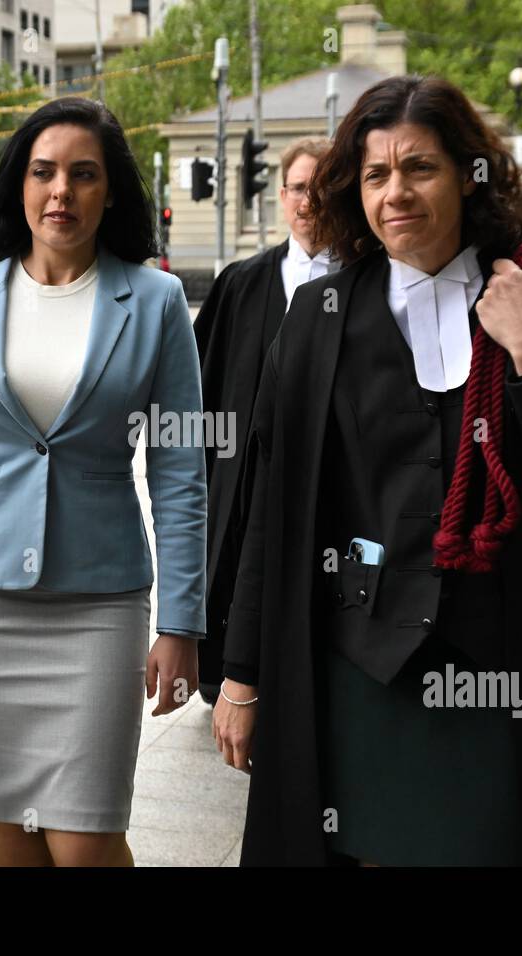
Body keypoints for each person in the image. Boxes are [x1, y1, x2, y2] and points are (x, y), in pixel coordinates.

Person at [211, 75, 522, 866]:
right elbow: (276, 508)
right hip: (359, 673)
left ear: (470, 175)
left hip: (515, 673)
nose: (396, 192)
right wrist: (241, 676)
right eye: (375, 174)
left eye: (420, 168)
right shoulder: (318, 317)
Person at [0, 97, 207, 867]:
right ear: (18, 188)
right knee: (13, 839)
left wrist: (181, 624)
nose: (61, 192)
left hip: (101, 602)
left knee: (85, 841)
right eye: (43, 172)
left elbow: (182, 475)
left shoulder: (154, 301)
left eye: (83, 175)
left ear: (111, 190)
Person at [192, 135, 337, 704]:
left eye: (325, 189)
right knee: (235, 577)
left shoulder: (365, 285)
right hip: (235, 476)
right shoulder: (242, 282)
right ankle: (224, 679)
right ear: (281, 195)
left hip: (320, 475)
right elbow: (202, 386)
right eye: (300, 188)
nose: (311, 202)